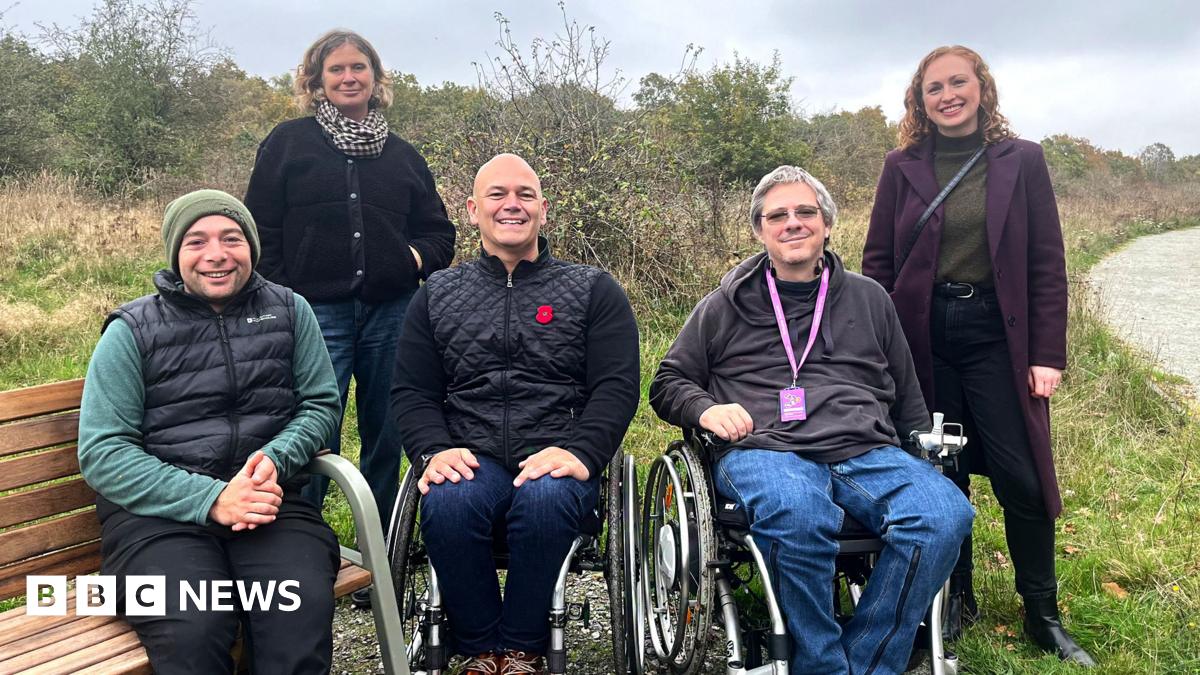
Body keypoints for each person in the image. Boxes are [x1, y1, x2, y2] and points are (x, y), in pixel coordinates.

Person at [650, 165, 974, 675]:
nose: (792, 223)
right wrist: (707, 409)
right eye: (777, 215)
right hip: (764, 448)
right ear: (760, 231)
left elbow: (907, 394)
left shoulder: (870, 299)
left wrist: (919, 451)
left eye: (805, 212)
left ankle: (867, 662)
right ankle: (821, 664)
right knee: (798, 510)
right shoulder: (723, 305)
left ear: (826, 223)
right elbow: (668, 382)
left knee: (943, 514)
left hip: (863, 448)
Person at [861, 45, 1095, 666]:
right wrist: (878, 347)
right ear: (920, 101)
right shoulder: (901, 165)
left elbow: (1046, 262)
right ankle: (953, 604)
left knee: (1023, 475)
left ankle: (1042, 613)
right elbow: (878, 262)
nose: (948, 96)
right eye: (933, 88)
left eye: (957, 83)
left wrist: (1047, 354)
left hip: (997, 334)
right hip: (921, 337)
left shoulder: (1022, 160)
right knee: (941, 473)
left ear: (982, 88)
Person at [391, 154, 640, 674]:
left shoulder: (594, 290)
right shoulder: (436, 294)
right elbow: (412, 391)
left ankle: (523, 649)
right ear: (472, 209)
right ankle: (483, 649)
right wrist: (433, 451)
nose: (512, 205)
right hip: (471, 451)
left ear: (543, 210)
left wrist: (581, 452)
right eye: (498, 194)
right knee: (449, 503)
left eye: (525, 195)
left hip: (557, 450)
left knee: (547, 500)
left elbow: (616, 387)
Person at [78, 190, 342, 674]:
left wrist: (274, 460)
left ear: (252, 247)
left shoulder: (291, 310)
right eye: (196, 241)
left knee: (297, 610)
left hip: (267, 504)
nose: (216, 254)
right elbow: (104, 450)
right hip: (156, 520)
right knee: (194, 627)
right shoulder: (131, 330)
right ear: (175, 253)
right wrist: (213, 498)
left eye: (231, 238)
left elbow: (321, 404)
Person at [244, 29, 456, 532]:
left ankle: (378, 541)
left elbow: (439, 234)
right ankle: (305, 536)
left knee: (388, 430)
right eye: (335, 69)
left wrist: (409, 259)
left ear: (376, 78)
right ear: (316, 81)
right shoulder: (288, 143)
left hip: (393, 312)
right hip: (315, 314)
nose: (348, 77)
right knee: (315, 427)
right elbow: (259, 229)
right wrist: (284, 295)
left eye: (358, 67)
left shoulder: (403, 156)